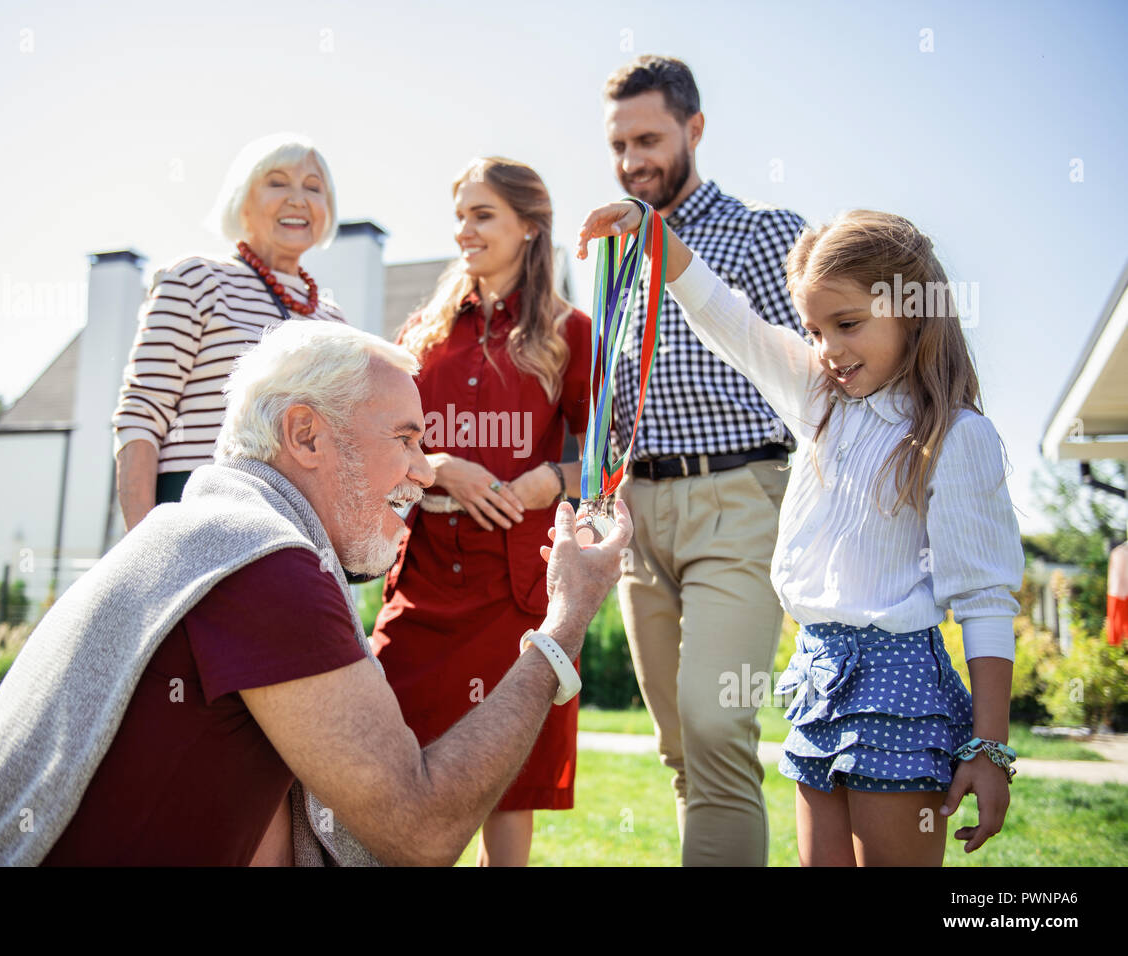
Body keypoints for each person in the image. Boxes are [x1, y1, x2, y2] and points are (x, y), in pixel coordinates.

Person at [0, 320, 632, 867]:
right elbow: (422, 829)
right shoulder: (265, 566)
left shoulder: (216, 529)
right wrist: (563, 624)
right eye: (408, 440)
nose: (425, 471)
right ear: (306, 434)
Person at [577, 200, 1024, 866]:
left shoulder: (957, 438)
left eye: (847, 324)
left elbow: (986, 602)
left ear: (914, 309)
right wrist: (650, 231)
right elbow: (727, 318)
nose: (829, 350)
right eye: (815, 330)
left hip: (896, 685)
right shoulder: (820, 401)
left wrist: (989, 750)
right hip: (818, 672)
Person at [599, 54, 809, 866]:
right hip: (638, 517)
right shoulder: (614, 251)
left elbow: (819, 364)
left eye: (647, 138)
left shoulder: (766, 233)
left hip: (741, 498)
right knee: (682, 745)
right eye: (617, 145)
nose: (629, 162)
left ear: (694, 129)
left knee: (721, 725)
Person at [369, 157, 592, 867]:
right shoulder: (421, 335)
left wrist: (546, 483)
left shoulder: (573, 333)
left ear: (530, 228)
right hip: (425, 589)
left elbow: (611, 467)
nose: (464, 230)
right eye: (459, 214)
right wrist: (439, 467)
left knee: (509, 788)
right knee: (390, 771)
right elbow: (381, 447)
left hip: (517, 595)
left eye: (482, 215)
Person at [112, 133, 345, 528]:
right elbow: (141, 416)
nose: (297, 199)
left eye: (313, 187)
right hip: (198, 508)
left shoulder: (334, 322)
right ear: (242, 199)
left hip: (298, 522)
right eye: (277, 182)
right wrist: (144, 549)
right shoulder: (196, 279)